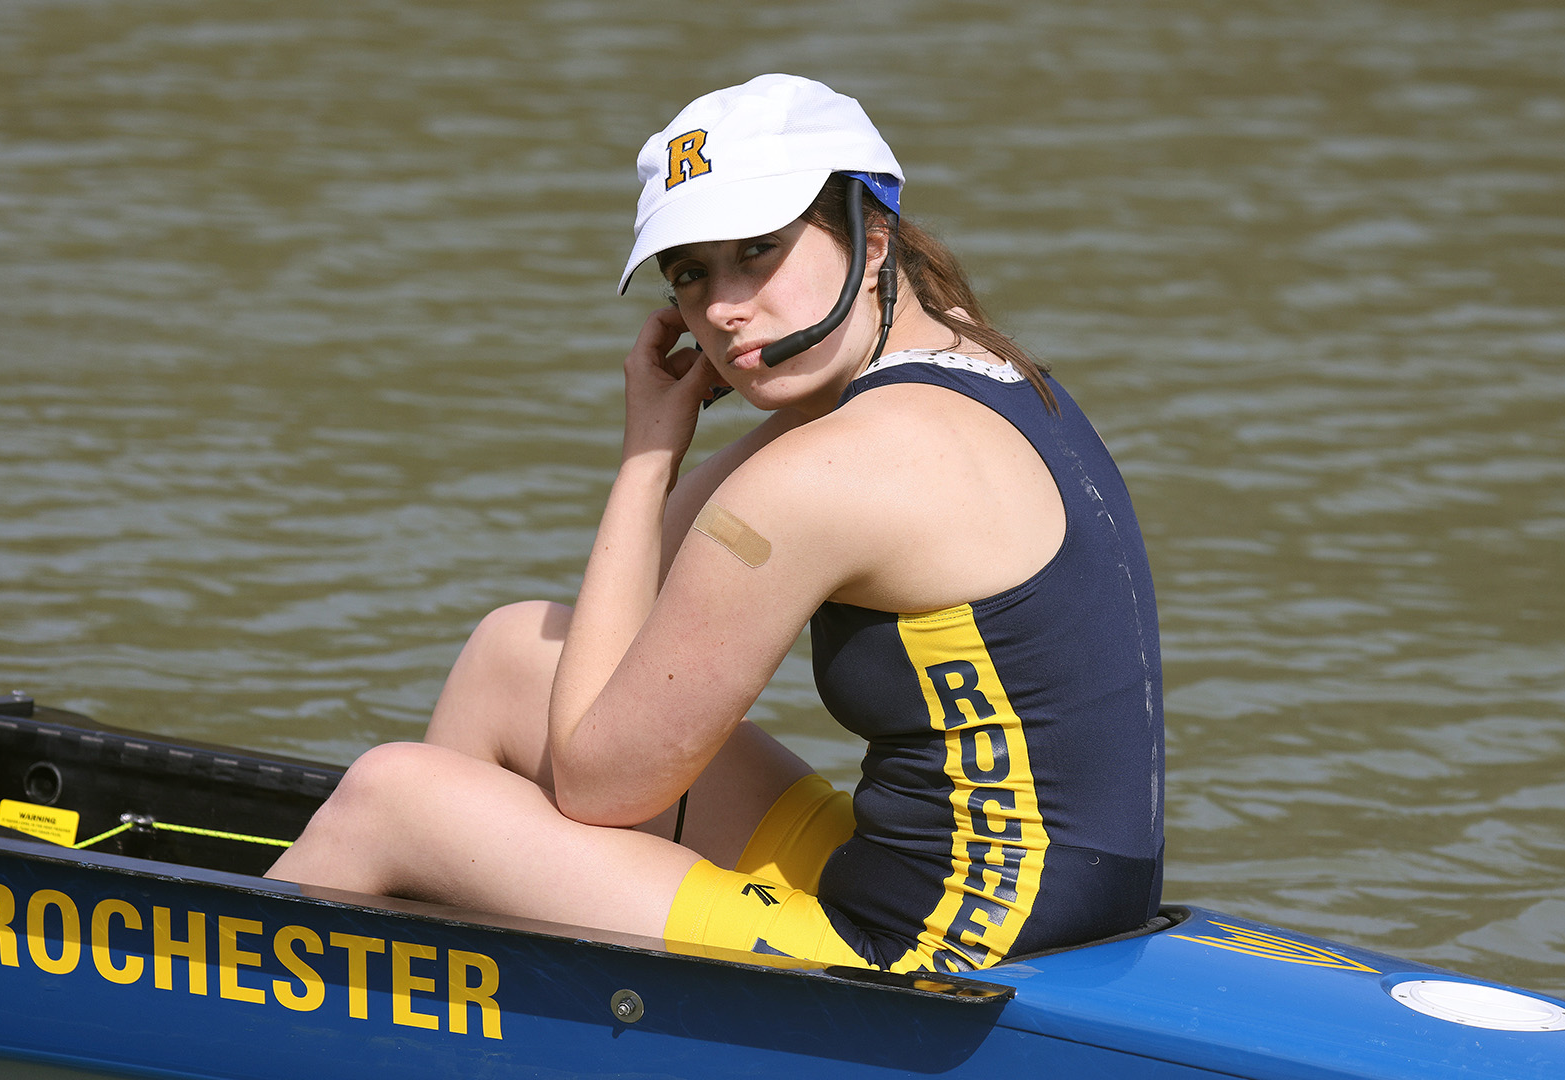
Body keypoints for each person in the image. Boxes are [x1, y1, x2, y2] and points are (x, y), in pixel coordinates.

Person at [268, 73, 1163, 974]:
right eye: (691, 274)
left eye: (758, 251)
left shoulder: (827, 471)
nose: (725, 309)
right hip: (1017, 888)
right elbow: (657, 592)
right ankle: (456, 987)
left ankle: (342, 982)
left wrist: (644, 460)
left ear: (872, 241)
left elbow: (600, 786)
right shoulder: (971, 360)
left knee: (389, 799)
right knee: (513, 654)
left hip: (942, 946)